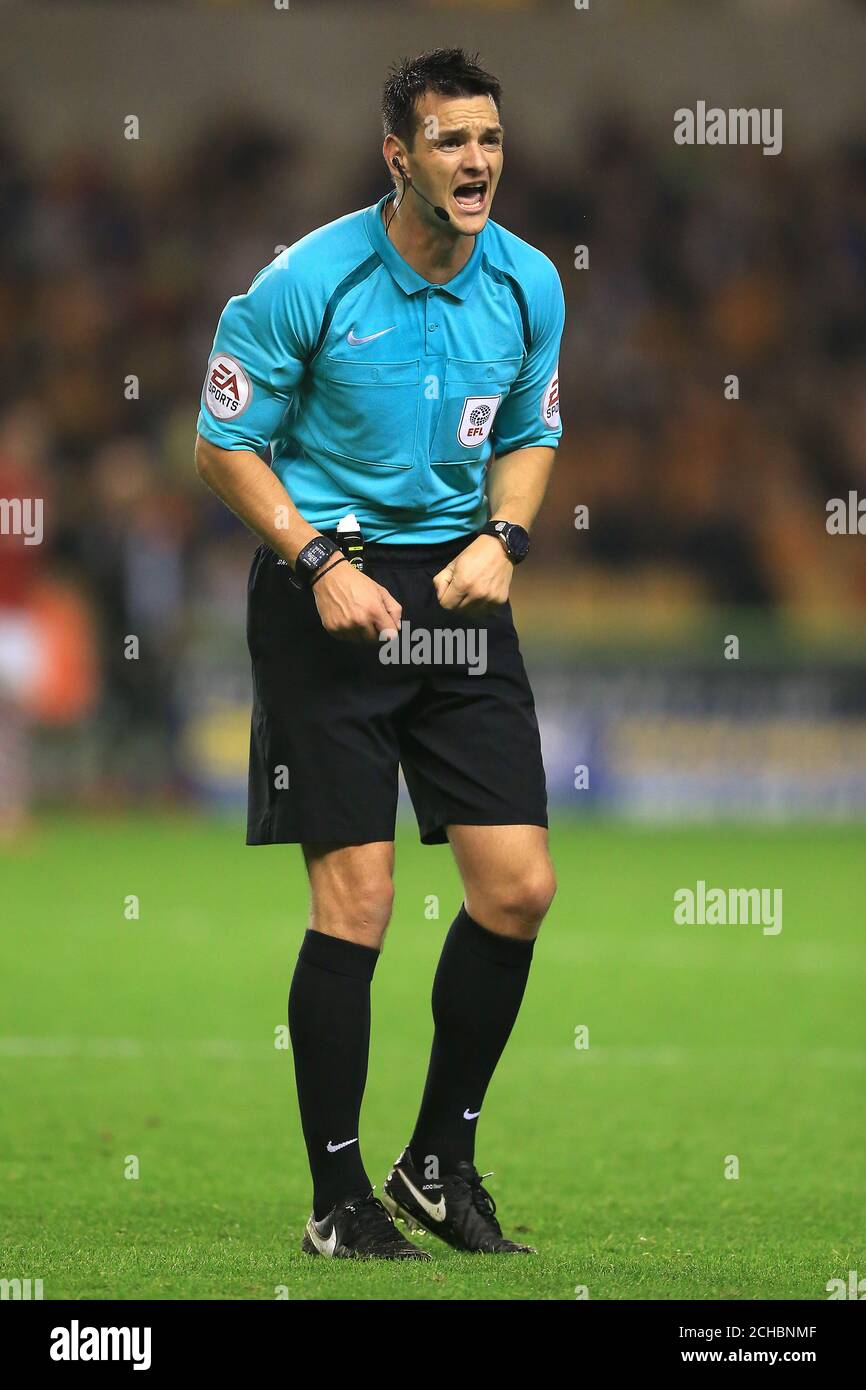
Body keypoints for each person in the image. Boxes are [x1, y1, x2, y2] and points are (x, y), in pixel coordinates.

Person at [195, 48, 565, 1261]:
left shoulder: (524, 284)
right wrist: (313, 560)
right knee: (355, 900)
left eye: (489, 141)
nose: (477, 162)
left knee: (515, 888)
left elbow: (527, 429)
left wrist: (506, 535)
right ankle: (336, 1198)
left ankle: (434, 1161)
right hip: (327, 593)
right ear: (396, 156)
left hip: (456, 588)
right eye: (451, 141)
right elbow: (222, 442)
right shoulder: (307, 279)